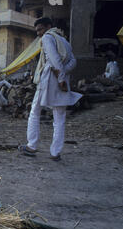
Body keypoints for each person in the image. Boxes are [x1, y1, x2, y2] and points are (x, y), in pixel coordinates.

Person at [19, 17, 82, 161]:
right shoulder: (64, 40)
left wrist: (59, 78)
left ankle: (32, 146)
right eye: (37, 31)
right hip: (62, 78)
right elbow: (73, 61)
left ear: (48, 26)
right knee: (59, 117)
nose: (38, 33)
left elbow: (54, 60)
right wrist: (63, 74)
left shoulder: (48, 37)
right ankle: (55, 152)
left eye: (40, 29)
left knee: (35, 111)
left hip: (49, 78)